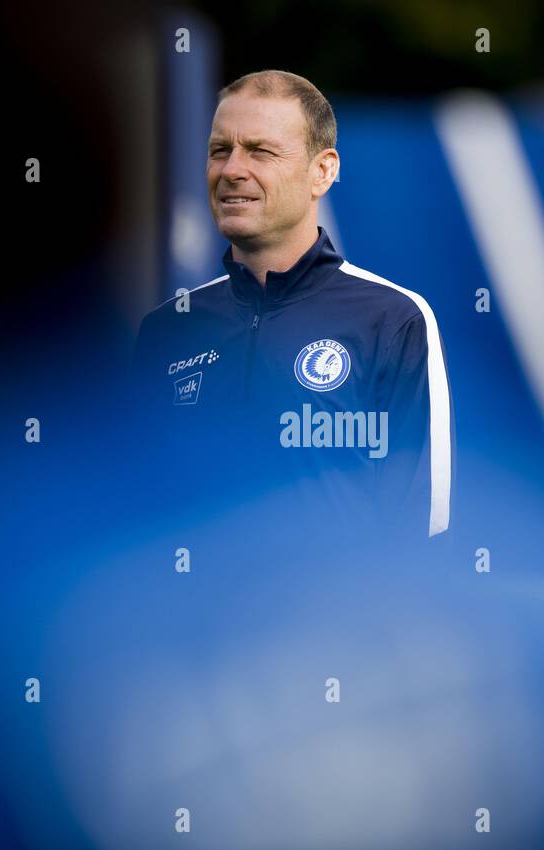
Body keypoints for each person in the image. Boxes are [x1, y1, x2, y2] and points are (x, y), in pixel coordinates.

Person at [132, 70, 453, 557]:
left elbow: (420, 525)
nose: (232, 169)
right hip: (191, 630)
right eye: (221, 150)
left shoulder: (393, 319)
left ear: (321, 172)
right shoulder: (167, 329)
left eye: (260, 151)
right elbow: (130, 512)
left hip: (332, 631)